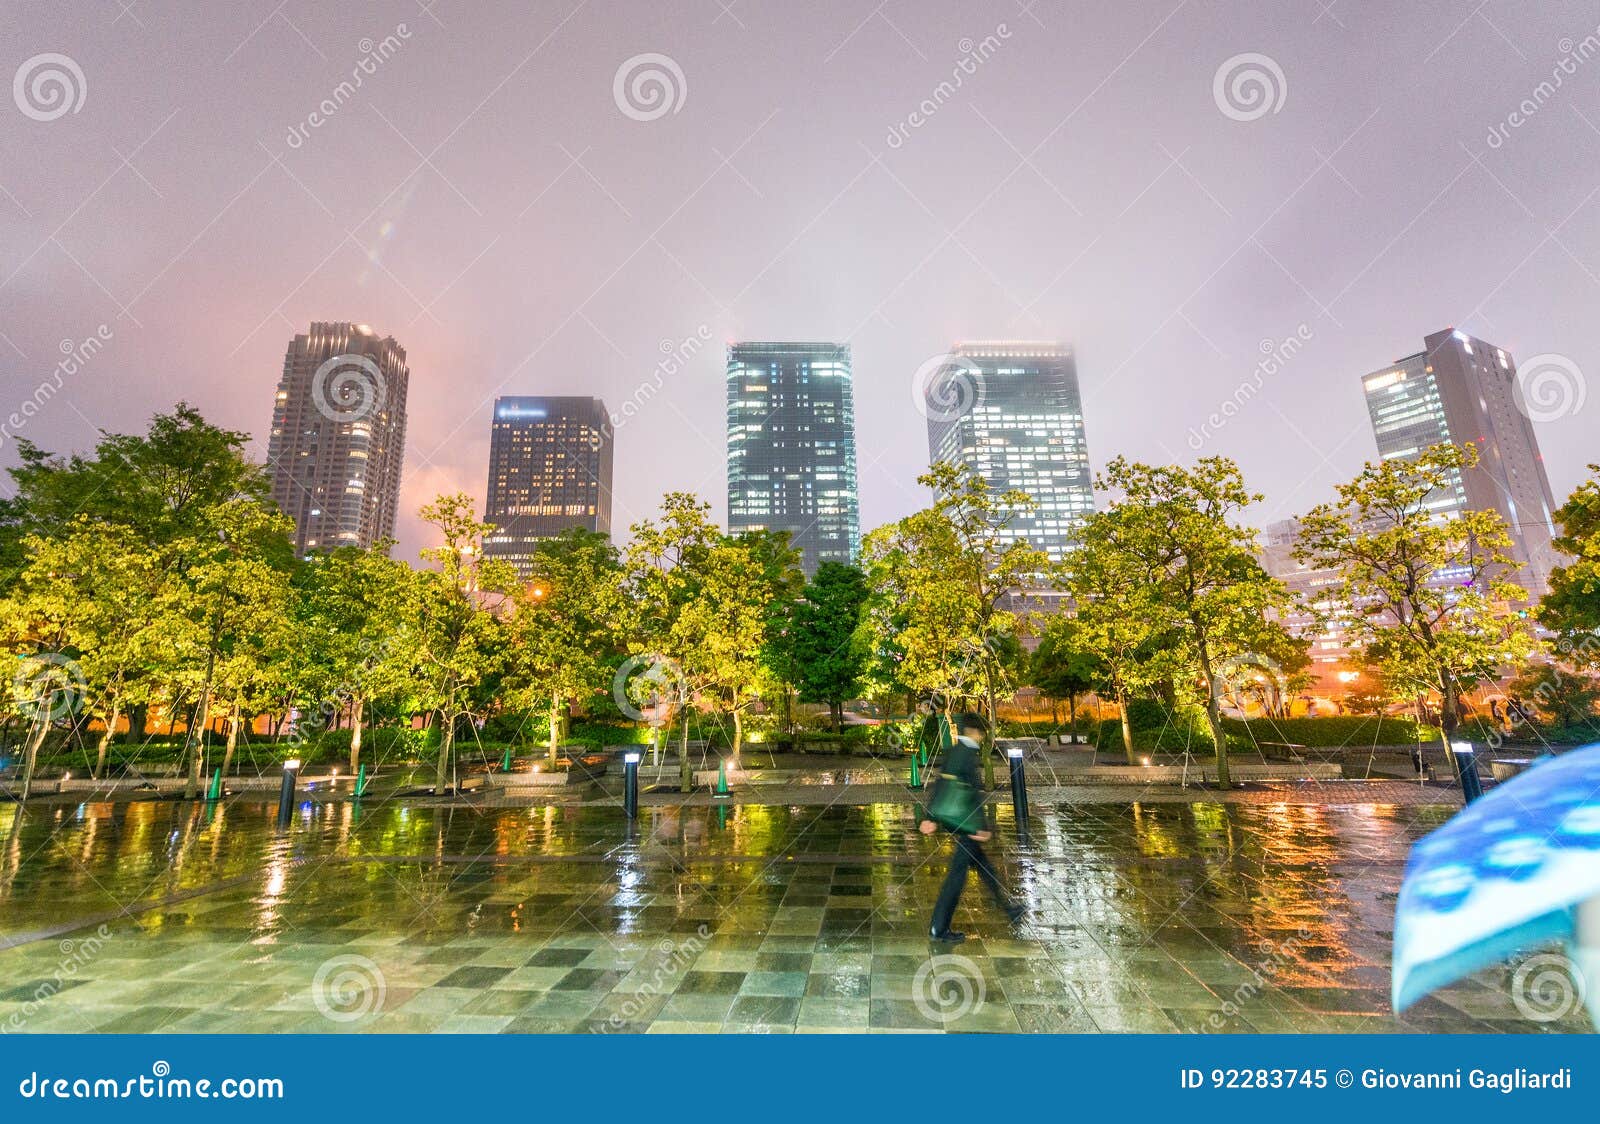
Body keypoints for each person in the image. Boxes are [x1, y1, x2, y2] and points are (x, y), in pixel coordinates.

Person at [919, 712, 1023, 942]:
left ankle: (1009, 909)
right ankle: (939, 927)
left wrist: (930, 816)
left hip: (961, 821)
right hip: (966, 824)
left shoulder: (956, 751)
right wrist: (981, 827)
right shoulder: (967, 754)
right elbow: (972, 794)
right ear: (974, 732)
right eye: (981, 734)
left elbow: (941, 783)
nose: (982, 738)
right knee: (956, 877)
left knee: (985, 869)